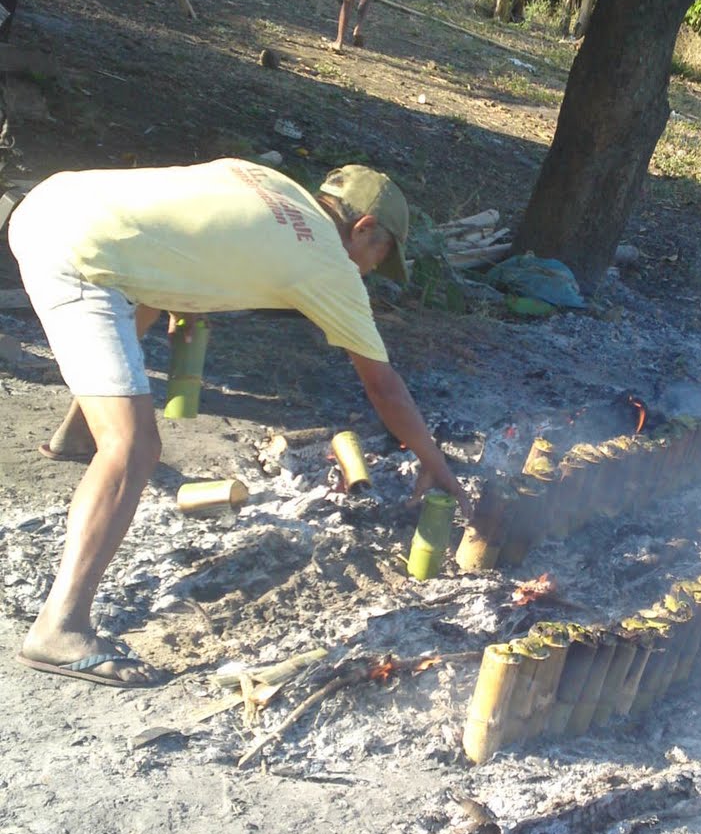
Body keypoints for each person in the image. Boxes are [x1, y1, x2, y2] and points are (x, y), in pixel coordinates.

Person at [8, 159, 466, 689]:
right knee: (134, 447)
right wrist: (436, 463)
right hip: (75, 255)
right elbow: (383, 387)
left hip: (54, 198)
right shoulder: (328, 263)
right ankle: (60, 628)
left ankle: (78, 432)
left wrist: (184, 295)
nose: (371, 271)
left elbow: (183, 226)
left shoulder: (273, 184)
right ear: (363, 229)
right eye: (380, 256)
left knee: (138, 300)